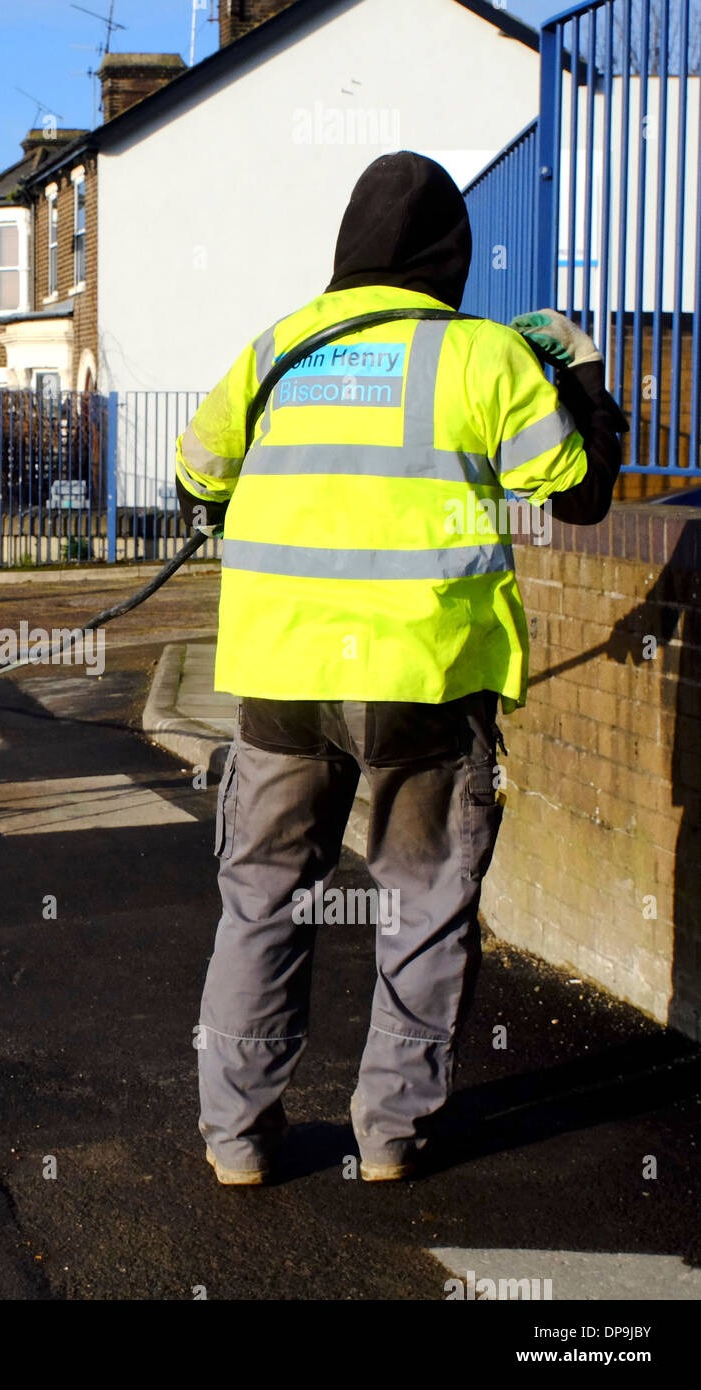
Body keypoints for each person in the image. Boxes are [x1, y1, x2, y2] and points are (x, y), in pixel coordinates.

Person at [175, 151, 626, 1186]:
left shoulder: (279, 346)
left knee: (262, 901)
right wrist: (585, 376)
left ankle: (236, 1141)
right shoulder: (480, 357)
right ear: (450, 259)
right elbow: (579, 492)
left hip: (282, 679)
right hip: (422, 680)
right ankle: (390, 1135)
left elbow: (197, 473)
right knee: (420, 900)